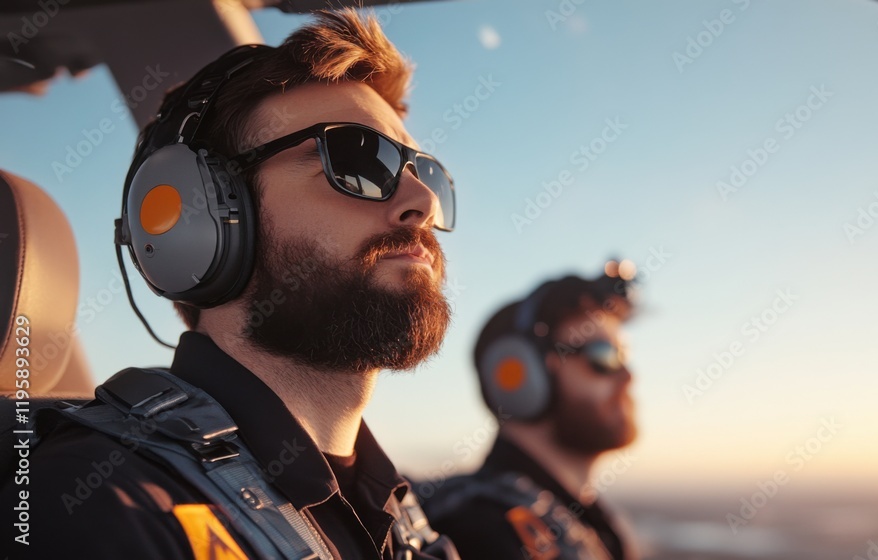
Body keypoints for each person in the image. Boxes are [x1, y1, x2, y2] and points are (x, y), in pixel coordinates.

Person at [1, 10, 460, 559]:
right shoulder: (104, 510)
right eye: (359, 160)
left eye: (426, 172)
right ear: (201, 218)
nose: (424, 202)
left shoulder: (402, 521)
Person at [421, 263, 641, 560]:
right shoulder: (482, 532)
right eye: (604, 356)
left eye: (623, 355)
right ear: (523, 376)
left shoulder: (588, 526)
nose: (628, 376)